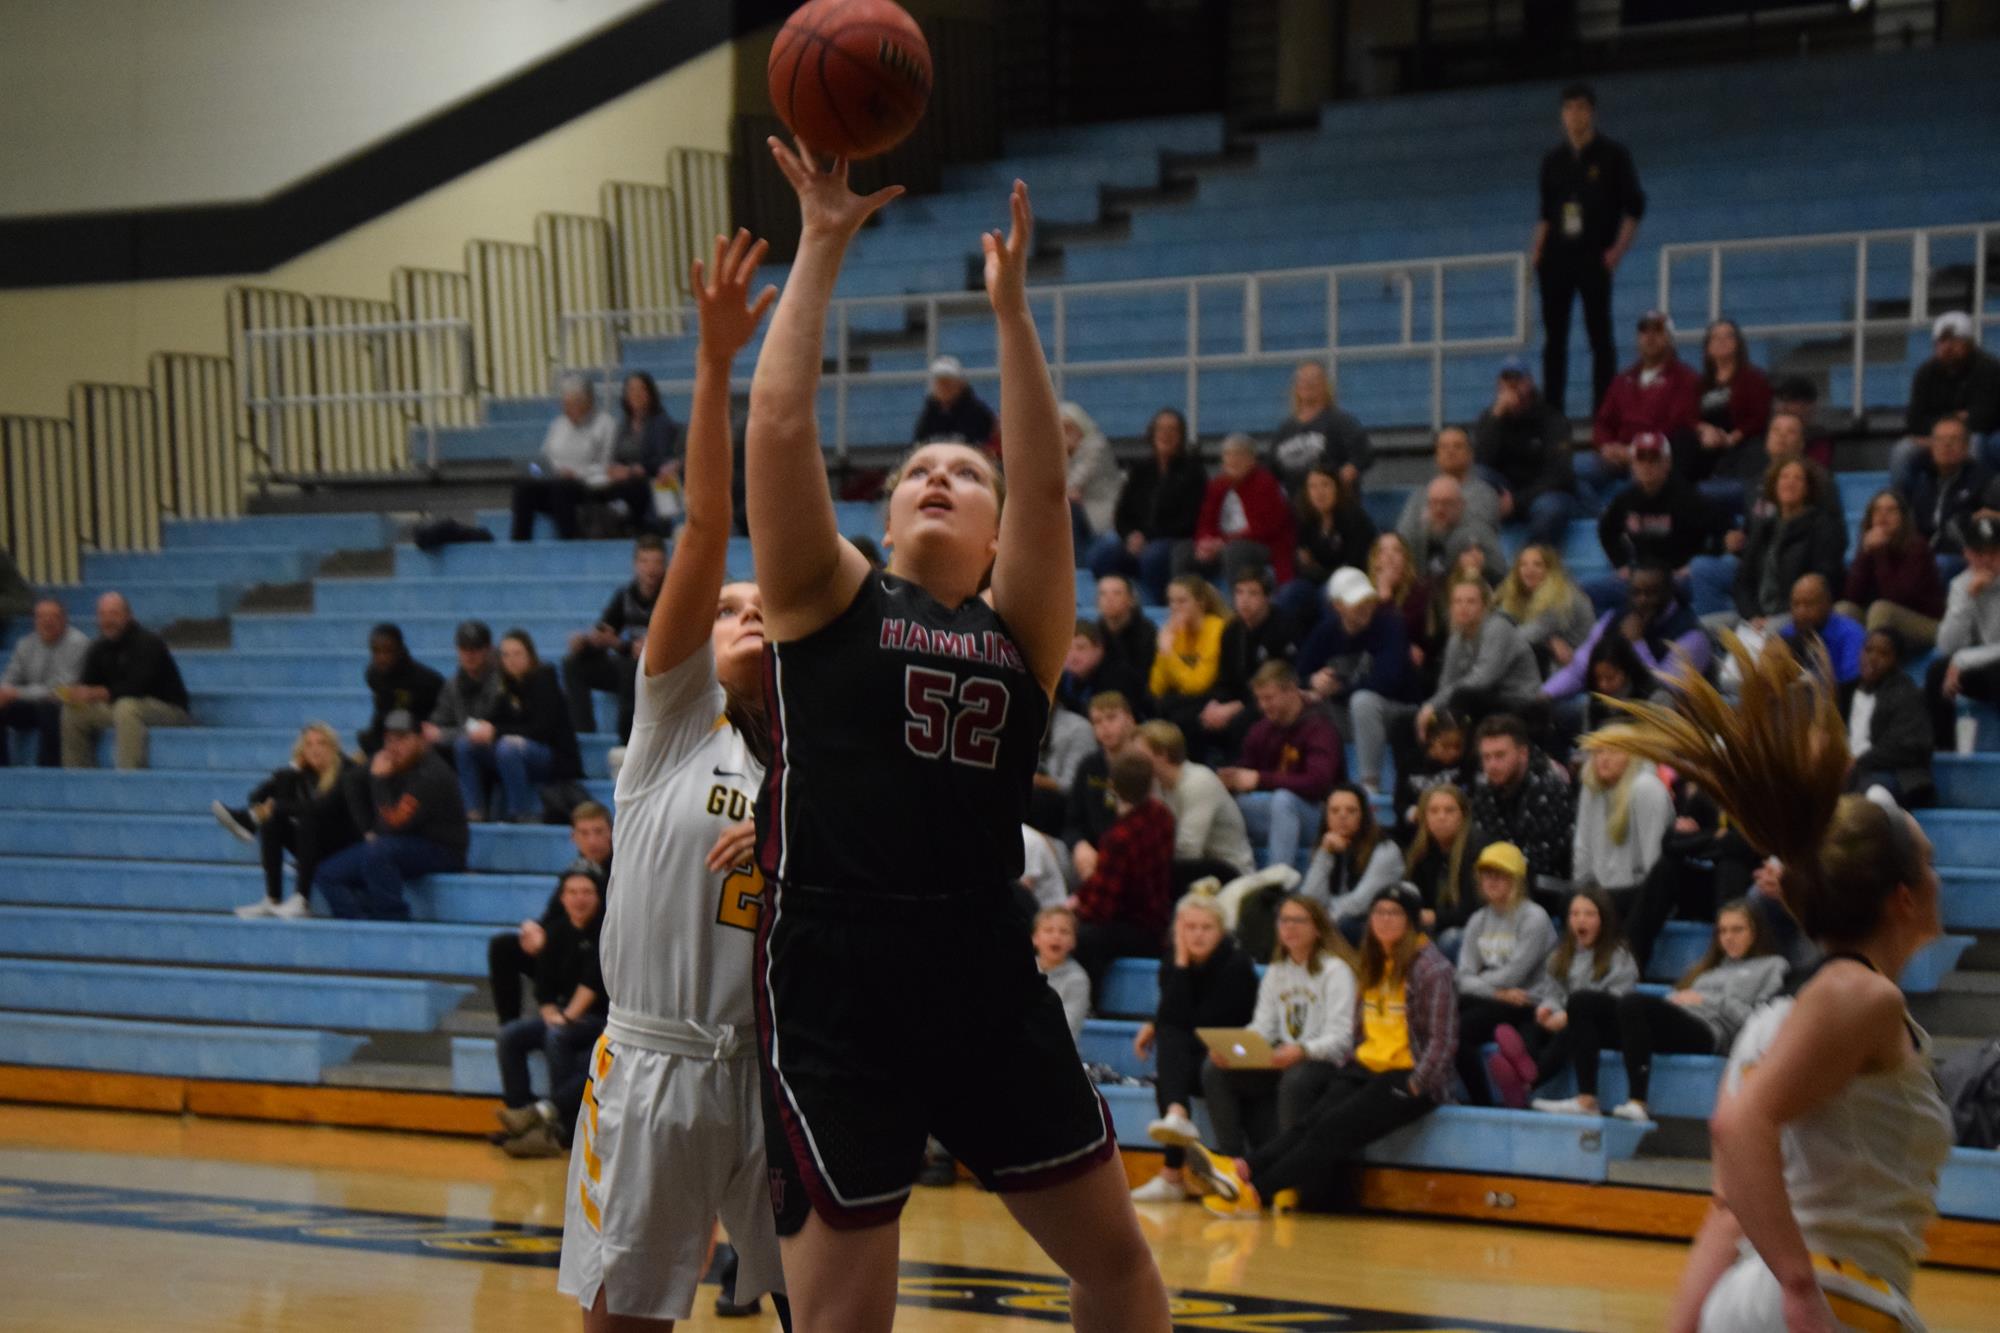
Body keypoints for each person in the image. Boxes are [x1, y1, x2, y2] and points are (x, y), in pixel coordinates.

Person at [745, 147, 1170, 1328]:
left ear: (990, 538)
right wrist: (820, 243)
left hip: (980, 962)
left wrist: (1011, 317)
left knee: (1121, 1266)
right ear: (880, 519)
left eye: (963, 473)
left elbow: (1045, 489)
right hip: (832, 964)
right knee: (842, 1319)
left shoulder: (1022, 627)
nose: (941, 475)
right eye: (920, 468)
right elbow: (777, 425)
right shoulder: (824, 597)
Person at [1578, 639, 1951, 1333]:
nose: (1940, 878)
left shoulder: (1776, 1017)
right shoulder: (1862, 996)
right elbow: (1739, 1123)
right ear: (1901, 897)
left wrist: (1684, 1324)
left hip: (1768, 1293)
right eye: (1929, 864)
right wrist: (1799, 1285)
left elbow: (1729, 1204)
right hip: (1833, 1292)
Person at [555, 230, 787, 1327]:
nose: (741, 615)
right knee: (626, 1320)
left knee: (829, 1307)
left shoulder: (808, 753)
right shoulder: (672, 728)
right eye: (726, 607)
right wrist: (712, 365)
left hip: (781, 1070)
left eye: (761, 608)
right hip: (655, 1064)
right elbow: (706, 522)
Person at [1185, 882, 1457, 1216]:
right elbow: (1362, 1028)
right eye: (1379, 912)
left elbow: (1443, 1041)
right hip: (1365, 1066)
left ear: (1412, 921)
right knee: (1309, 1123)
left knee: (1329, 1130)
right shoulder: (1373, 959)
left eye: (1395, 913)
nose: (1384, 920)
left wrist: (1418, 1083)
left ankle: (1253, 1194)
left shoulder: (1431, 969)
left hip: (1405, 1077)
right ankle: (1241, 1168)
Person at [1532, 899, 1784, 1122]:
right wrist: (1677, 1000)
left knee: (1633, 1002)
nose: (1729, 937)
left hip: (1710, 1032)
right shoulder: (1708, 968)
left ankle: (1638, 1102)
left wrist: (1706, 999)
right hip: (1678, 1022)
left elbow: (1757, 1019)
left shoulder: (1772, 965)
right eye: (1723, 931)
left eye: (1737, 930)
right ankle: (1586, 1099)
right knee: (1582, 1001)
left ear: (1755, 932)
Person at [1198, 895, 1359, 1157]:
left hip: (1325, 1063)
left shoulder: (1336, 971)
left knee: (1295, 1080)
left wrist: (1302, 1051)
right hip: (1283, 1057)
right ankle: (1231, 1162)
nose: (1290, 927)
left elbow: (1341, 1038)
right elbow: (1263, 1028)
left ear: (1317, 928)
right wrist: (1234, 1049)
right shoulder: (1277, 971)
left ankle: (1290, 1175)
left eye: (1298, 920)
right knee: (1215, 1068)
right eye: (1284, 920)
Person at [1130, 894, 1260, 1203]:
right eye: (1189, 927)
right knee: (1170, 1044)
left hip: (1232, 1056)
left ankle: (1172, 1171)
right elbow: (1175, 1016)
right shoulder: (1173, 960)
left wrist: (1159, 1022)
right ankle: (1176, 1118)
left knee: (1170, 1038)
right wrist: (1181, 965)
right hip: (1192, 1057)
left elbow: (1204, 1024)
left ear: (1221, 931)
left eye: (1206, 927)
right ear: (1178, 930)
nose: (1197, 934)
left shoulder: (1237, 965)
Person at [1533, 82, 1645, 417]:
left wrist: (1617, 251)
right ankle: (1553, 414)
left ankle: (1603, 412)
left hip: (1594, 254)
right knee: (1555, 339)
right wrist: (1535, 251)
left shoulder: (1613, 155)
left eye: (1581, 108)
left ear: (1592, 112)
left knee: (1600, 335)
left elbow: (1635, 207)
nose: (1575, 115)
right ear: (1562, 115)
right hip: (1557, 257)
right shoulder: (1553, 160)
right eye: (1569, 109)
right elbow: (1545, 213)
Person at [1483, 884, 1639, 1109]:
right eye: (1575, 914)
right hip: (1563, 1018)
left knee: (1572, 1030)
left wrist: (1567, 1017)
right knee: (1530, 1020)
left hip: (1603, 1027)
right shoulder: (1560, 956)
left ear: (1603, 919)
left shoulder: (1619, 956)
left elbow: (1618, 1001)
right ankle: (1524, 1066)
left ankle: (1529, 1082)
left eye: (1589, 914)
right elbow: (1553, 992)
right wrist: (1547, 1010)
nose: (1580, 921)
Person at [495, 869, 609, 1158]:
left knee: (557, 1037)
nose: (579, 899)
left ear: (598, 897)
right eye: (572, 892)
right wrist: (549, 1013)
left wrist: (566, 1018)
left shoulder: (605, 932)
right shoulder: (556, 931)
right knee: (511, 1036)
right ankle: (522, 1120)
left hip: (598, 1018)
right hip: (562, 1015)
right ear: (562, 898)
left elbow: (592, 983)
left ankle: (563, 1127)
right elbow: (542, 987)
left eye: (586, 892)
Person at [316, 710, 469, 920]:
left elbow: (395, 824)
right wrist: (367, 829)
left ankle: (392, 919)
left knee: (378, 852)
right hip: (399, 842)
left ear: (419, 740)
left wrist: (379, 782)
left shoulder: (431, 775)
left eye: (402, 739)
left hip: (441, 848)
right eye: (389, 740)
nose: (395, 747)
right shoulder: (389, 759)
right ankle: (363, 924)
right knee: (327, 874)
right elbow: (351, 780)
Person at [214, 722, 362, 920]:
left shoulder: (347, 771)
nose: (315, 749)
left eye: (321, 743)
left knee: (307, 819)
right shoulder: (301, 773)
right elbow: (256, 796)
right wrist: (291, 769)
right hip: (315, 845)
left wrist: (275, 807)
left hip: (346, 847)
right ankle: (272, 898)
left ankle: (302, 899)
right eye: (308, 744)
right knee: (272, 824)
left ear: (333, 747)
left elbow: (321, 808)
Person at [1451, 842, 1559, 1106]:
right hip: (1497, 999)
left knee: (1457, 1027)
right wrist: (1494, 991)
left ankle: (1484, 1100)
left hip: (1527, 1001)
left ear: (1516, 879)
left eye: (1500, 875)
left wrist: (1480, 983)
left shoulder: (1534, 917)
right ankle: (1480, 1098)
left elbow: (1514, 974)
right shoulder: (1478, 919)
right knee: (1448, 1021)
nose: (1491, 881)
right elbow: (1460, 977)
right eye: (1487, 875)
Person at [489, 802, 614, 1025]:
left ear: (611, 833)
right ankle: (508, 1026)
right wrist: (533, 929)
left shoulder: (620, 870)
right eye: (584, 833)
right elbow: (552, 918)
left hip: (600, 954)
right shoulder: (574, 869)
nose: (592, 841)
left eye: (598, 832)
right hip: (567, 951)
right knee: (503, 946)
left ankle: (572, 1017)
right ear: (573, 837)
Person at [1543, 562, 1711, 726]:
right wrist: (1544, 695)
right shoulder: (1613, 619)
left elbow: (1665, 695)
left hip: (1665, 724)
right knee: (1552, 712)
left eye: (1651, 593)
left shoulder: (1692, 635)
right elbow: (1580, 668)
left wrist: (1637, 644)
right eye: (1636, 593)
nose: (1642, 600)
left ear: (1669, 591)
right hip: (1614, 709)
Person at [1069, 751, 1178, 998]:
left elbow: (1100, 908)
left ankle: (1088, 1002)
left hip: (1135, 927)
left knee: (1083, 939)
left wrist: (1075, 909)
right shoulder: (1163, 816)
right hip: (1157, 920)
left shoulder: (1119, 839)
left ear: (1113, 786)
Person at [1219, 661, 1343, 871]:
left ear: (1291, 691)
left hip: (1319, 815)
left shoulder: (1320, 727)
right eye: (1259, 699)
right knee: (1221, 803)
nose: (1263, 706)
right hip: (1277, 813)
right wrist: (1232, 780)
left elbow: (1319, 782)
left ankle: (1277, 881)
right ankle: (1232, 875)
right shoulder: (1261, 729)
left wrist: (1259, 779)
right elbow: (1248, 769)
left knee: (1283, 800)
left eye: (1269, 698)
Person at [455, 630, 582, 823]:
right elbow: (495, 719)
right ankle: (474, 811)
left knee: (507, 747)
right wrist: (484, 727)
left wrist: (497, 731)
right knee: (465, 745)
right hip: (518, 754)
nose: (511, 660)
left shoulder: (545, 679)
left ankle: (520, 812)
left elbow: (543, 729)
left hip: (552, 756)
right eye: (506, 655)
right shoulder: (506, 684)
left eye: (517, 653)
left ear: (530, 655)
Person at [58, 592, 190, 770]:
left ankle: (129, 776)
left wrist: (98, 693)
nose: (107, 620)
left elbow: (138, 686)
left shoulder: (149, 643)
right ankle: (78, 776)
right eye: (102, 614)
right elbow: (88, 683)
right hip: (121, 706)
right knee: (73, 711)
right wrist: (77, 694)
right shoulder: (98, 647)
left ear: (129, 616)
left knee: (126, 706)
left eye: (114, 614)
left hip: (168, 709)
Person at [1583, 311, 1700, 507]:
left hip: (1653, 458)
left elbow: (1678, 425)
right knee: (1572, 474)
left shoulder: (1686, 379)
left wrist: (1634, 451)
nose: (1650, 337)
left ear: (1669, 339)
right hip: (1617, 457)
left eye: (1657, 331)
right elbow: (1603, 422)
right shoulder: (1623, 380)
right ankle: (1599, 518)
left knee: (1644, 482)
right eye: (1644, 332)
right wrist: (1606, 446)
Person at [1091, 407, 1207, 603]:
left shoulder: (1193, 472)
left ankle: (1158, 605)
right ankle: (1116, 601)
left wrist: (1148, 537)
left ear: (1181, 435)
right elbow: (1122, 513)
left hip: (1173, 539)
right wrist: (1130, 535)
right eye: (1160, 429)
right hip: (1137, 538)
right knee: (1101, 554)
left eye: (1172, 430)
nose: (1165, 435)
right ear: (1152, 434)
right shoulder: (1141, 470)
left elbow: (1190, 519)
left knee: (1154, 556)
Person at [563, 535, 666, 743]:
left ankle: (626, 742)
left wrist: (623, 645)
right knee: (573, 663)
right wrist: (586, 641)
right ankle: (584, 733)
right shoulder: (625, 595)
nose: (651, 569)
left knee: (630, 668)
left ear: (665, 565)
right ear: (635, 565)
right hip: (629, 662)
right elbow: (605, 630)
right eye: (645, 562)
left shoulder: (672, 595)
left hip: (663, 669)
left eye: (656, 562)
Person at [1591, 433, 1711, 609]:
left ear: (1667, 463)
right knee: (1587, 593)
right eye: (1641, 459)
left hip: (1675, 579)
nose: (1647, 466)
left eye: (1654, 460)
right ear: (1632, 464)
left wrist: (1693, 566)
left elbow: (1716, 533)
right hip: (1639, 576)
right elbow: (1607, 530)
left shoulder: (1688, 498)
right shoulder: (1625, 500)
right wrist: (1621, 563)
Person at [1728, 460, 1846, 630]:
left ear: (1808, 488)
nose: (1790, 482)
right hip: (1756, 616)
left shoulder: (1822, 528)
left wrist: (1773, 618)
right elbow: (1743, 582)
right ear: (1774, 485)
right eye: (1784, 477)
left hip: (1796, 615)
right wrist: (1753, 616)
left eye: (1798, 478)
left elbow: (1821, 583)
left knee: (1770, 631)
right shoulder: (1763, 527)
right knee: (1705, 628)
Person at [1419, 576, 1545, 735]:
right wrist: (1429, 708)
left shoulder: (1498, 628)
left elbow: (1482, 679)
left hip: (1522, 704)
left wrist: (1432, 707)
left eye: (1471, 601)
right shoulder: (1456, 638)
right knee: (1404, 722)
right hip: (1488, 701)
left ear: (1485, 606)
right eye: (1457, 601)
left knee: (1463, 697)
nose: (1463, 607)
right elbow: (1446, 683)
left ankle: (1462, 755)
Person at [1473, 358, 1576, 548]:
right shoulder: (1490, 418)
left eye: (1518, 381)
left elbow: (1561, 475)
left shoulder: (1552, 419)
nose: (1513, 387)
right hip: (1505, 489)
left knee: (1550, 508)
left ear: (1530, 383)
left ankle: (1532, 561)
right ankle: (1479, 553)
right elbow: (1481, 461)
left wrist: (1517, 502)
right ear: (1499, 386)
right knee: (1476, 478)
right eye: (1507, 381)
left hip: (1540, 492)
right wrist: (1495, 419)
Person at [1134, 720, 1255, 881]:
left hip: (1231, 874)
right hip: (1198, 872)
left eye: (1139, 754)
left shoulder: (1198, 782)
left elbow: (1188, 851)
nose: (1134, 762)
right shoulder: (1156, 785)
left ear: (1162, 754)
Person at [1299, 566, 1416, 732]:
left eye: (1368, 599)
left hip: (1394, 710)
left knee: (1362, 702)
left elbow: (1388, 681)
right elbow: (1299, 673)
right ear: (1337, 605)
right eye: (1356, 602)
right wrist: (1314, 680)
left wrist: (1339, 689)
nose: (1365, 607)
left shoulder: (1391, 625)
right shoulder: (1326, 631)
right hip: (1343, 711)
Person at [1892, 311, 2000, 485]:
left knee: (1976, 443)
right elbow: (1914, 421)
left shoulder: (1988, 368)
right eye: (1942, 342)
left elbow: (1984, 419)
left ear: (1969, 343)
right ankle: (1902, 507)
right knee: (1903, 451)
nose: (1948, 347)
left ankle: (1977, 498)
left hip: (1979, 435)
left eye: (1955, 340)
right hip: (1933, 437)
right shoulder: (1925, 373)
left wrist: (1946, 431)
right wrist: (1947, 429)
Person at [1467, 713, 1573, 885]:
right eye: (1486, 757)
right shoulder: (1484, 788)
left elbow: (1543, 861)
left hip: (1544, 890)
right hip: (1496, 885)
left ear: (1523, 753)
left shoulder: (1550, 787)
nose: (1492, 765)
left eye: (1500, 755)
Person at [1178, 433, 1295, 587]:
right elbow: (1205, 521)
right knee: (1182, 550)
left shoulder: (1265, 483)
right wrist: (1204, 542)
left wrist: (1223, 543)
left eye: (1239, 455)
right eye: (1228, 455)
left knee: (1235, 550)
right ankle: (1182, 600)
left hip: (1262, 545)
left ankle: (1237, 605)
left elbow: (1264, 529)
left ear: (1252, 460)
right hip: (1222, 545)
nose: (1233, 460)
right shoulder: (1217, 485)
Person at [1925, 513, 2000, 752]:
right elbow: (1946, 645)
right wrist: (1968, 597)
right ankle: (1944, 754)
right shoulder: (1961, 585)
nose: (1987, 561)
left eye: (1994, 553)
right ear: (1967, 554)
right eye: (1979, 553)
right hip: (1985, 664)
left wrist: (1963, 659)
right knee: (1937, 671)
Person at [511, 376, 619, 541]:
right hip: (553, 481)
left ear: (588, 402)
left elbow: (606, 466)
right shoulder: (558, 424)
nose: (567, 409)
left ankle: (567, 540)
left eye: (573, 404)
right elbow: (544, 457)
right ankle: (519, 543)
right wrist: (537, 470)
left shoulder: (606, 424)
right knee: (524, 485)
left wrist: (576, 474)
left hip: (586, 486)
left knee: (562, 487)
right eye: (565, 404)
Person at [1841, 489, 1945, 651]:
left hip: (1926, 623)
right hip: (1884, 619)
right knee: (1843, 610)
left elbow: (1897, 596)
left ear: (1903, 517)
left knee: (1881, 609)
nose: (1883, 516)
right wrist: (1864, 554)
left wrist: (1880, 554)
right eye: (1877, 510)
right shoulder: (1870, 547)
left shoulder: (1917, 547)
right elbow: (1852, 596)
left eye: (1891, 510)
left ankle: (1873, 671)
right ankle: (1846, 671)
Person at [1688, 318, 1773, 513]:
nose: (1722, 341)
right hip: (1710, 444)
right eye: (1715, 337)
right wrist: (1704, 430)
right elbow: (1689, 416)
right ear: (1707, 347)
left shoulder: (1753, 378)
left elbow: (1759, 417)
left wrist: (1732, 437)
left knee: (1754, 452)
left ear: (1738, 343)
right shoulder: (1700, 384)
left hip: (1744, 442)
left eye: (1728, 336)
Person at [1844, 628, 1936, 806]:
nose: (1872, 658)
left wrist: (1858, 761)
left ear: (1897, 661)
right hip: (1853, 771)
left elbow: (1905, 746)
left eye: (1883, 653)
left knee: (1871, 795)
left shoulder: (1905, 693)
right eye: (1868, 650)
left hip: (1895, 774)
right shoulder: (1848, 691)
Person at [1284, 463, 1378, 628]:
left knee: (1328, 596)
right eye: (1313, 487)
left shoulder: (1355, 519)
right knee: (1291, 593)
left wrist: (1316, 568)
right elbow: (1300, 566)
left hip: (1352, 583)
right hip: (1316, 582)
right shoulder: (1305, 520)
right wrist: (1317, 570)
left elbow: (1352, 566)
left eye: (1325, 485)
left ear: (1337, 488)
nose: (1319, 492)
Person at [1572, 745, 1671, 900]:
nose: (1604, 758)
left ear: (1633, 755)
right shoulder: (1591, 785)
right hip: (1600, 893)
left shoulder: (1647, 788)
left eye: (1613, 751)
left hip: (1639, 896)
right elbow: (1582, 847)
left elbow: (1655, 863)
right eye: (1598, 751)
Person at [1301, 784, 1406, 926]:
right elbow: (1310, 900)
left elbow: (1359, 905)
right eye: (1334, 811)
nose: (1342, 816)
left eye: (1351, 811)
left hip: (1375, 926)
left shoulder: (1386, 850)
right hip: (1336, 921)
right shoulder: (1327, 846)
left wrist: (1319, 922)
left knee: (1345, 923)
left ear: (1363, 816)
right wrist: (1324, 853)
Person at [0, 598, 88, 767]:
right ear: (35, 620)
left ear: (64, 620)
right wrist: (4, 693)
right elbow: (10, 679)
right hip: (33, 704)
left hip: (68, 703)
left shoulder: (79, 643)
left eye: (53, 616)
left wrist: (17, 693)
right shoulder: (25, 644)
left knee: (48, 707)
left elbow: (61, 689)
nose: (47, 621)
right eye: (41, 617)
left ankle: (49, 770)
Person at [1147, 575, 1232, 747]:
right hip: (1184, 697)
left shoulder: (1217, 629)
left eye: (1182, 601)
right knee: (1155, 704)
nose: (1175, 607)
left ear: (1200, 602)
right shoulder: (1174, 631)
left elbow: (1199, 683)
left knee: (1178, 714)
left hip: (1214, 696)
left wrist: (1168, 653)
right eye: (1171, 601)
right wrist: (1164, 651)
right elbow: (1156, 686)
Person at [1066, 691, 1137, 884]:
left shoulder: (1144, 765)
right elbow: (1072, 821)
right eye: (1097, 722)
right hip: (1094, 853)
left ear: (1130, 720)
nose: (1104, 727)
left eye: (1111, 718)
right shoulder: (1089, 765)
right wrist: (1079, 845)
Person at [1269, 361, 1372, 493]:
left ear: (1325, 385)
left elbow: (1363, 455)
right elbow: (1272, 470)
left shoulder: (1341, 421)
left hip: (1336, 507)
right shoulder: (1285, 429)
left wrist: (1351, 469)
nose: (1307, 384)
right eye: (1302, 380)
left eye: (1313, 380)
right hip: (1297, 508)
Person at [1403, 785, 1482, 954]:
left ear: (1463, 816)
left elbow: (1474, 910)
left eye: (1449, 811)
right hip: (1435, 926)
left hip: (1474, 929)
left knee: (1450, 939)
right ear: (1424, 817)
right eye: (1434, 811)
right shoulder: (1420, 851)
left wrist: (1435, 917)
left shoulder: (1477, 849)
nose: (1441, 817)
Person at [1901, 413, 1989, 561]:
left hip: (1966, 559)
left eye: (1954, 439)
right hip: (1925, 560)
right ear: (1932, 446)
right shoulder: (1922, 481)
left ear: (1966, 446)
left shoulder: (1984, 481)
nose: (1946, 445)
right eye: (1940, 440)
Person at [1495, 544, 1595, 671]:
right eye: (1523, 564)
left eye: (1537, 565)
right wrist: (1549, 641)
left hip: (1574, 664)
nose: (1529, 570)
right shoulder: (1523, 594)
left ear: (1550, 569)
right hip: (1551, 656)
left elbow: (1523, 636)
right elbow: (1500, 619)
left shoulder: (1559, 596)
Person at [1400, 475, 1505, 592]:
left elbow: (1502, 575)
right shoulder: (1416, 535)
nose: (1439, 509)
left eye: (1446, 503)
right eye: (1434, 503)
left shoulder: (1479, 533)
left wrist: (1482, 568)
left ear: (1461, 505)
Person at [607, 371, 681, 537]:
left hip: (652, 479)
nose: (635, 395)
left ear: (650, 393)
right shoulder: (624, 424)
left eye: (640, 390)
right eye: (631, 390)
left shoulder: (661, 422)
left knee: (632, 488)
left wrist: (635, 470)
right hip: (626, 480)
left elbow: (662, 459)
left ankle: (643, 530)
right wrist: (614, 469)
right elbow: (616, 456)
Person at [358, 624, 444, 757]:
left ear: (400, 650)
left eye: (387, 651)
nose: (382, 658)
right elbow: (381, 711)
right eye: (376, 651)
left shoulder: (425, 680)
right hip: (391, 727)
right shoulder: (373, 675)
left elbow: (439, 717)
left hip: (423, 731)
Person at [424, 620, 504, 755]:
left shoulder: (502, 681)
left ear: (488, 649)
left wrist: (444, 735)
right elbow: (436, 725)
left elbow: (487, 730)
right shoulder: (453, 684)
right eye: (464, 648)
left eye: (476, 648)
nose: (469, 654)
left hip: (497, 748)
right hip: (464, 748)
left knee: (465, 747)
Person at [1781, 573, 1865, 687]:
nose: (1801, 612)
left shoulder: (1852, 635)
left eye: (1809, 604)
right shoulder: (1787, 634)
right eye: (1796, 604)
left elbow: (1850, 686)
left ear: (1828, 604)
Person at [1061, 402, 1122, 546]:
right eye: (1060, 429)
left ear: (1080, 426)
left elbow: (1072, 483)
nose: (1064, 434)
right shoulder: (1064, 451)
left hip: (1099, 511)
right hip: (1082, 511)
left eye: (1068, 428)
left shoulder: (1095, 446)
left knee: (1069, 508)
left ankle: (1077, 565)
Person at [1057, 622, 1147, 719]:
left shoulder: (1121, 679)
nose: (1072, 656)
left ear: (1099, 650)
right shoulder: (1061, 680)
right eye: (1067, 649)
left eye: (1081, 648)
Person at [1034, 906, 1091, 1043]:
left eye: (1064, 932)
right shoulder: (1019, 970)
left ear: (1073, 941)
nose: (1056, 936)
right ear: (1035, 938)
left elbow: (1066, 1029)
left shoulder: (1078, 980)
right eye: (1048, 930)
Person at [912, 354, 996, 445]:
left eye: (948, 382)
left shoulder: (979, 413)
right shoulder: (928, 416)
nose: (943, 387)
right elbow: (919, 446)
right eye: (939, 382)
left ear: (961, 383)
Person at [1092, 572, 1158, 686]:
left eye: (1117, 593)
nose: (1109, 599)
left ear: (1131, 599)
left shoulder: (1147, 633)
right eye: (1103, 594)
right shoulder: (1094, 632)